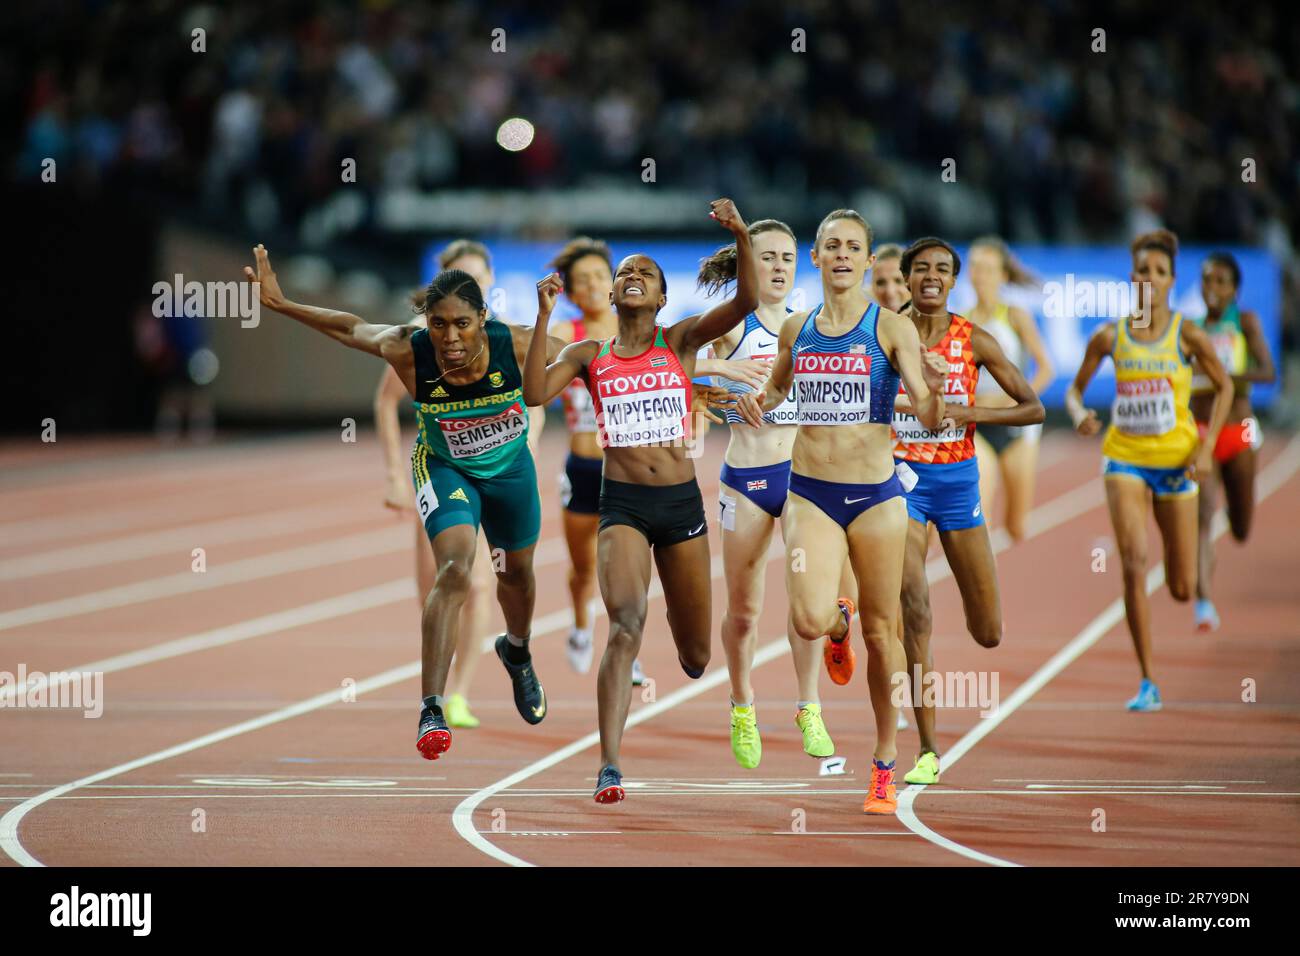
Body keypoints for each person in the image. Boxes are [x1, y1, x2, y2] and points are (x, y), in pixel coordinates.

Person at [245, 245, 566, 759]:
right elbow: (350, 328)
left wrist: (695, 383)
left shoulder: (520, 342)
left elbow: (600, 356)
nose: (450, 338)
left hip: (509, 470)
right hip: (445, 467)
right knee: (456, 570)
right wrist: (282, 305)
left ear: (483, 318)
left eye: (462, 324)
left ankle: (518, 652)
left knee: (517, 577)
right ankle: (432, 707)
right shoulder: (407, 348)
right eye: (438, 325)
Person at [523, 198, 756, 804]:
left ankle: (688, 655)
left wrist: (740, 235)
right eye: (623, 272)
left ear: (658, 299)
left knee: (697, 656)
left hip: (681, 507)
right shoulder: (587, 355)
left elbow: (746, 302)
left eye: (642, 274)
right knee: (625, 624)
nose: (629, 278)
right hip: (620, 503)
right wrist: (544, 315)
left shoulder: (677, 341)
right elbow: (531, 394)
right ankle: (609, 765)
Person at [736, 209, 948, 815]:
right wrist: (752, 401)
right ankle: (836, 626)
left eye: (854, 247)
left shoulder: (890, 327)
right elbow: (778, 390)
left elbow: (929, 419)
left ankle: (883, 762)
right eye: (832, 247)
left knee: (886, 635)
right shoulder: (797, 328)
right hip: (810, 492)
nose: (843, 256)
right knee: (806, 618)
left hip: (877, 497)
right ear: (818, 258)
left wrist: (931, 387)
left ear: (866, 255)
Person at [699, 218, 860, 768]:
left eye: (786, 258)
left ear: (803, 263)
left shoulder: (813, 326)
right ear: (748, 264)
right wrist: (718, 375)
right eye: (765, 257)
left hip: (802, 482)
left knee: (805, 604)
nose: (777, 267)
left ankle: (808, 706)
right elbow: (668, 362)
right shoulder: (728, 327)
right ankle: (742, 705)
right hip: (744, 479)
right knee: (744, 611)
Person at [889, 237, 1044, 786]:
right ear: (906, 278)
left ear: (952, 281)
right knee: (916, 609)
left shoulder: (974, 339)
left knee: (989, 631)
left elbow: (1034, 406)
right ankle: (928, 747)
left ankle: (928, 736)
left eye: (942, 270)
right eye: (922, 269)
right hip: (901, 480)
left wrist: (966, 410)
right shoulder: (886, 334)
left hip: (957, 484)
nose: (932, 277)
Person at [374, 239, 542, 730]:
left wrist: (524, 449)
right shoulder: (421, 343)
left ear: (487, 285)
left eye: (477, 277)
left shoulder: (507, 337)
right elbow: (386, 402)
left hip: (504, 471)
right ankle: (437, 696)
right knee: (442, 580)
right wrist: (392, 475)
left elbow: (536, 395)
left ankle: (462, 693)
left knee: (490, 579)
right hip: (444, 464)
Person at [1066, 229, 1232, 711]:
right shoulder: (1110, 335)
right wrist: (1079, 414)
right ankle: (1147, 680)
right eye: (1143, 270)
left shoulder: (1188, 334)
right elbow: (1075, 391)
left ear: (1171, 281)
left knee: (1180, 586)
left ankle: (1190, 590)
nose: (1151, 279)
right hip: (1125, 459)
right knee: (1133, 562)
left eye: (1160, 273)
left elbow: (1221, 388)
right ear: (1132, 277)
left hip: (1177, 464)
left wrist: (1204, 449)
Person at [1189, 251, 1275, 631]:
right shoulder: (1190, 328)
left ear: (1234, 289)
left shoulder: (1247, 323)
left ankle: (1235, 511)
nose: (1212, 288)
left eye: (1220, 282)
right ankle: (1203, 601)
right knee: (1203, 512)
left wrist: (1230, 377)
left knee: (1240, 527)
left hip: (1239, 429)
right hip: (1202, 428)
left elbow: (1268, 371)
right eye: (1207, 280)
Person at [967, 237, 1056, 543]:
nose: (981, 275)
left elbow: (1046, 368)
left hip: (1017, 428)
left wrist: (1016, 398)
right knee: (979, 517)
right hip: (978, 425)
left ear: (1003, 276)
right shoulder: (962, 320)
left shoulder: (1015, 316)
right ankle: (982, 587)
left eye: (989, 269)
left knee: (1016, 527)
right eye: (976, 267)